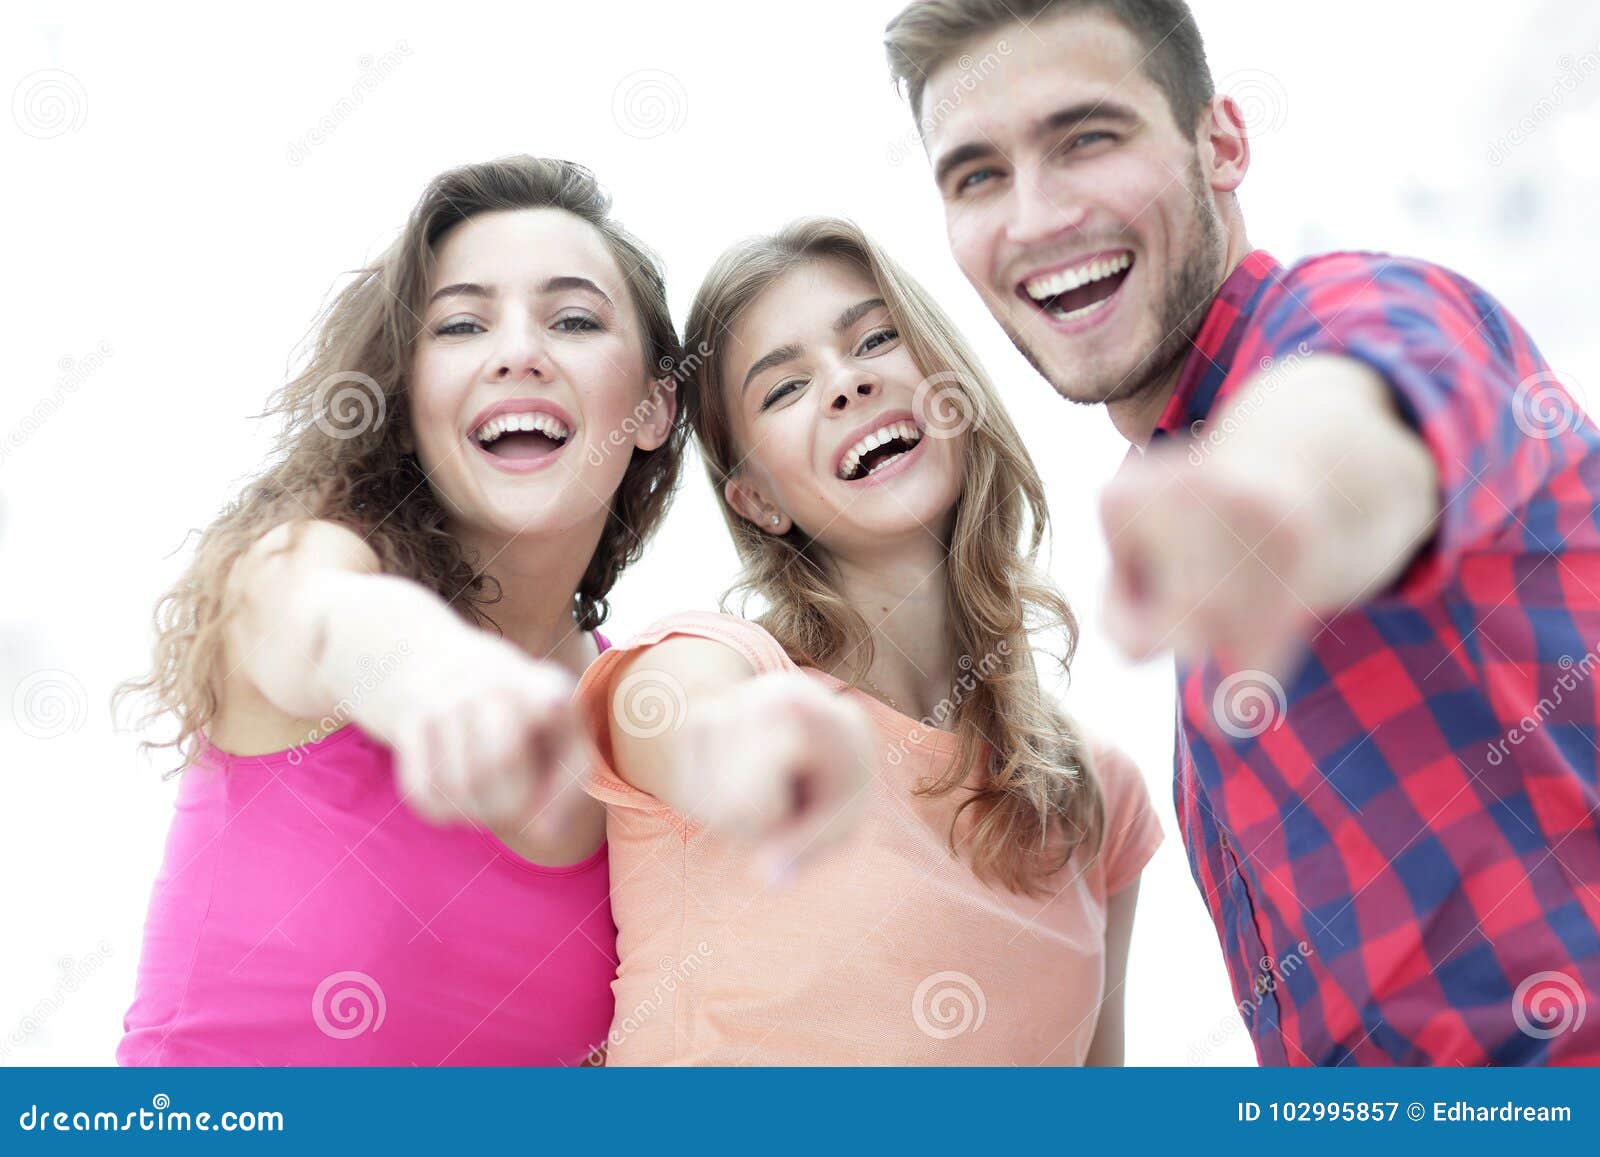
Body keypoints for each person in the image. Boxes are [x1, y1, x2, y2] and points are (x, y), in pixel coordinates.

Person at [885, 0, 1600, 1064]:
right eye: (977, 175)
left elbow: (1356, 422)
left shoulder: (1353, 314)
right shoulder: (1189, 484)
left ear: (1221, 142)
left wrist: (1275, 494)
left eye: (1086, 137)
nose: (1032, 218)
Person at [116, 156, 684, 1065]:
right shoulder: (301, 560)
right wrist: (437, 671)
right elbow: (332, 620)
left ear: (655, 406)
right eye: (461, 324)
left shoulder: (635, 719)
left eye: (573, 319)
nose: (518, 351)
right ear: (407, 397)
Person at [572, 218, 1162, 1065]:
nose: (846, 384)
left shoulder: (1098, 794)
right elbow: (691, 725)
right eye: (783, 389)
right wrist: (755, 751)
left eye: (877, 339)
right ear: (757, 500)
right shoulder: (704, 663)